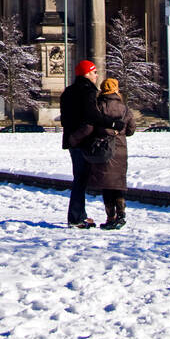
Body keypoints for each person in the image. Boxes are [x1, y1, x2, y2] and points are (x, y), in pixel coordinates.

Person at [59, 58, 125, 228]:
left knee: (80, 178)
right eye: (94, 72)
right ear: (87, 73)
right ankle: (75, 219)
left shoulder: (68, 91)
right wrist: (112, 123)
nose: (96, 75)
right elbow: (92, 116)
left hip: (71, 139)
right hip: (82, 140)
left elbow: (65, 119)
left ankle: (80, 215)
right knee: (81, 179)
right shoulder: (87, 91)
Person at [88, 77, 137, 229]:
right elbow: (131, 129)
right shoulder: (125, 109)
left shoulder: (99, 106)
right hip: (120, 149)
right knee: (119, 184)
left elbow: (92, 126)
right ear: (116, 90)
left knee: (107, 184)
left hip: (104, 149)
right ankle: (121, 215)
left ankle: (111, 217)